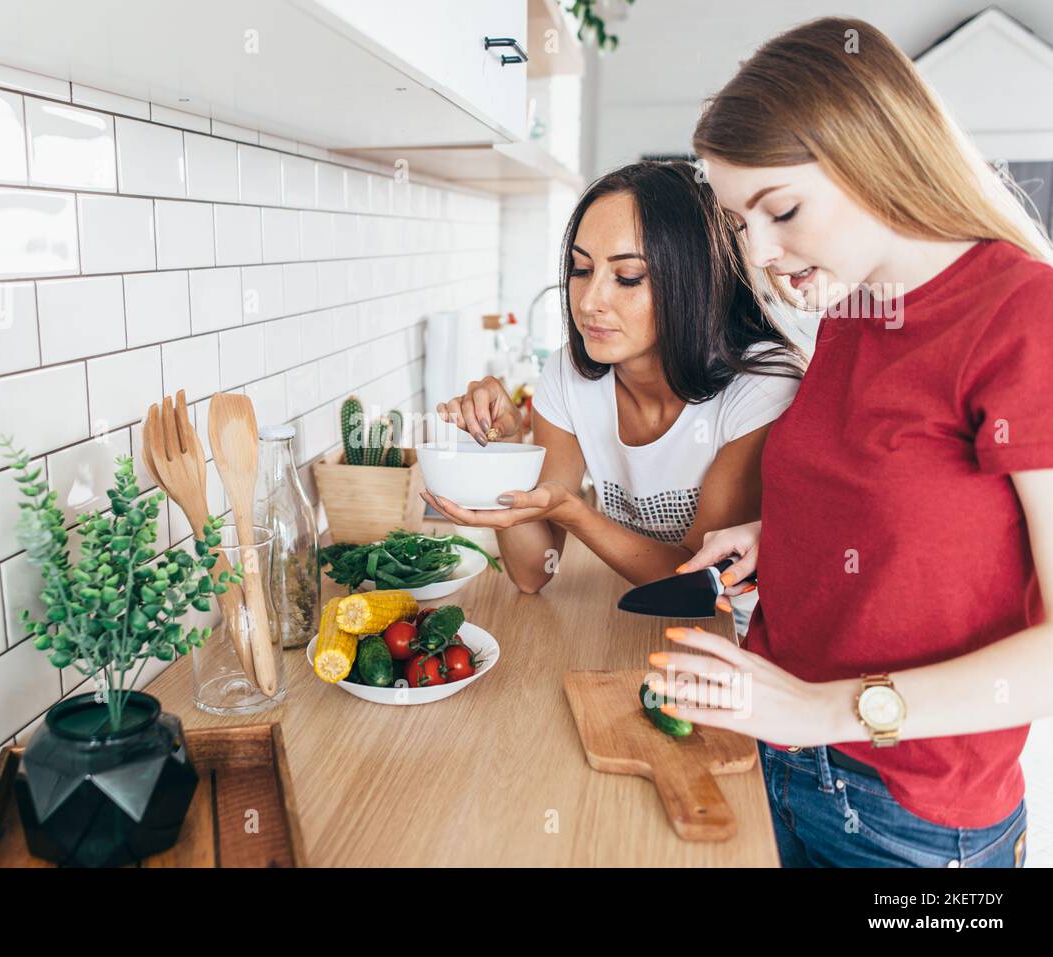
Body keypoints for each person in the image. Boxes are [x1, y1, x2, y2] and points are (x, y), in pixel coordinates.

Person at [666, 16, 1053, 867]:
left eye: (782, 210)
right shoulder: (854, 309)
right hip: (780, 757)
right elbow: (925, 517)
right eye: (739, 223)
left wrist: (821, 710)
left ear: (874, 152)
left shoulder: (1025, 316)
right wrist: (783, 538)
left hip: (912, 820)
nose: (759, 254)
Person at [423, 161, 805, 635]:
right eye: (581, 269)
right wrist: (508, 450)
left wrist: (573, 513)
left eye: (627, 277)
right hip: (640, 625)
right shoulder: (569, 373)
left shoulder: (762, 386)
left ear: (695, 283)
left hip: (739, 637)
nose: (587, 302)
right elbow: (531, 573)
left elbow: (697, 582)